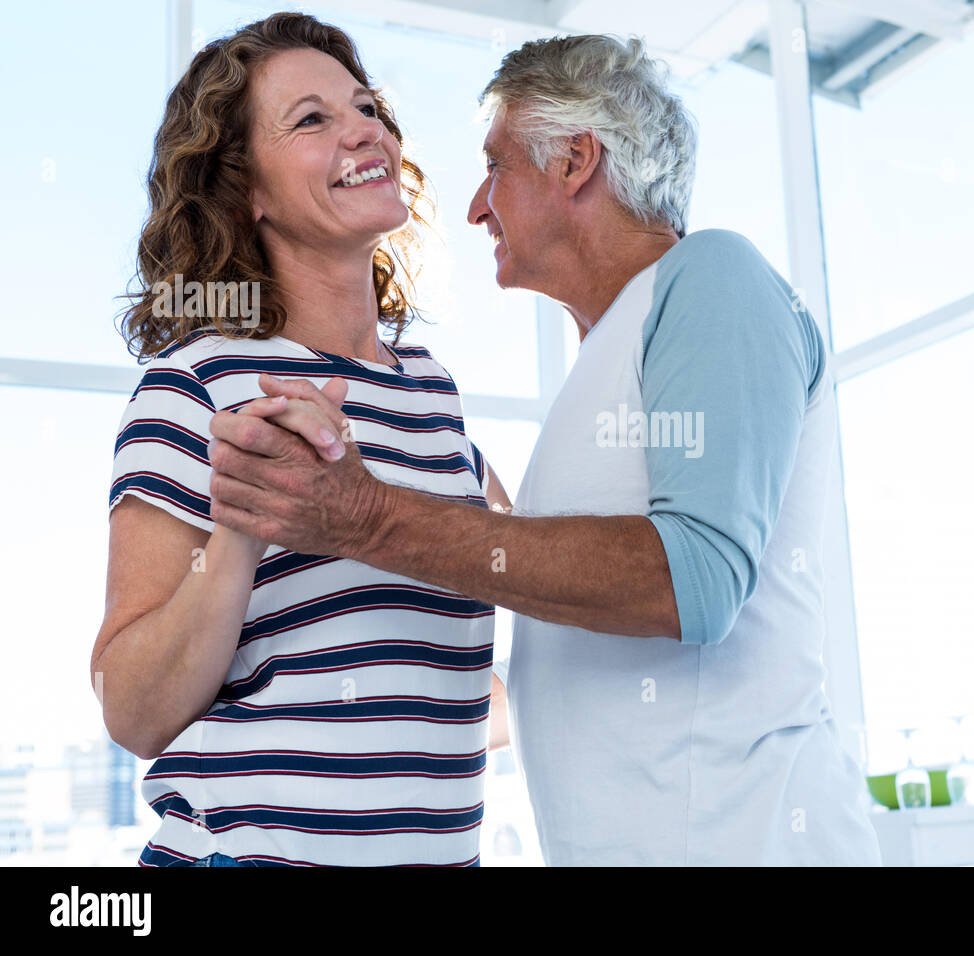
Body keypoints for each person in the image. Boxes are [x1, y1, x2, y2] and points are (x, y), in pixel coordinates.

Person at [208, 34, 882, 866]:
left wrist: (368, 516)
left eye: (497, 168)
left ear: (573, 160)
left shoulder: (713, 277)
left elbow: (694, 580)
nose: (476, 207)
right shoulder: (611, 354)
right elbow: (554, 592)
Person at [92, 12, 509, 866]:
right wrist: (245, 528)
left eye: (366, 107)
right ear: (247, 189)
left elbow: (458, 677)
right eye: (312, 119)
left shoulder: (431, 391)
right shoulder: (201, 384)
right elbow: (131, 711)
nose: (365, 130)